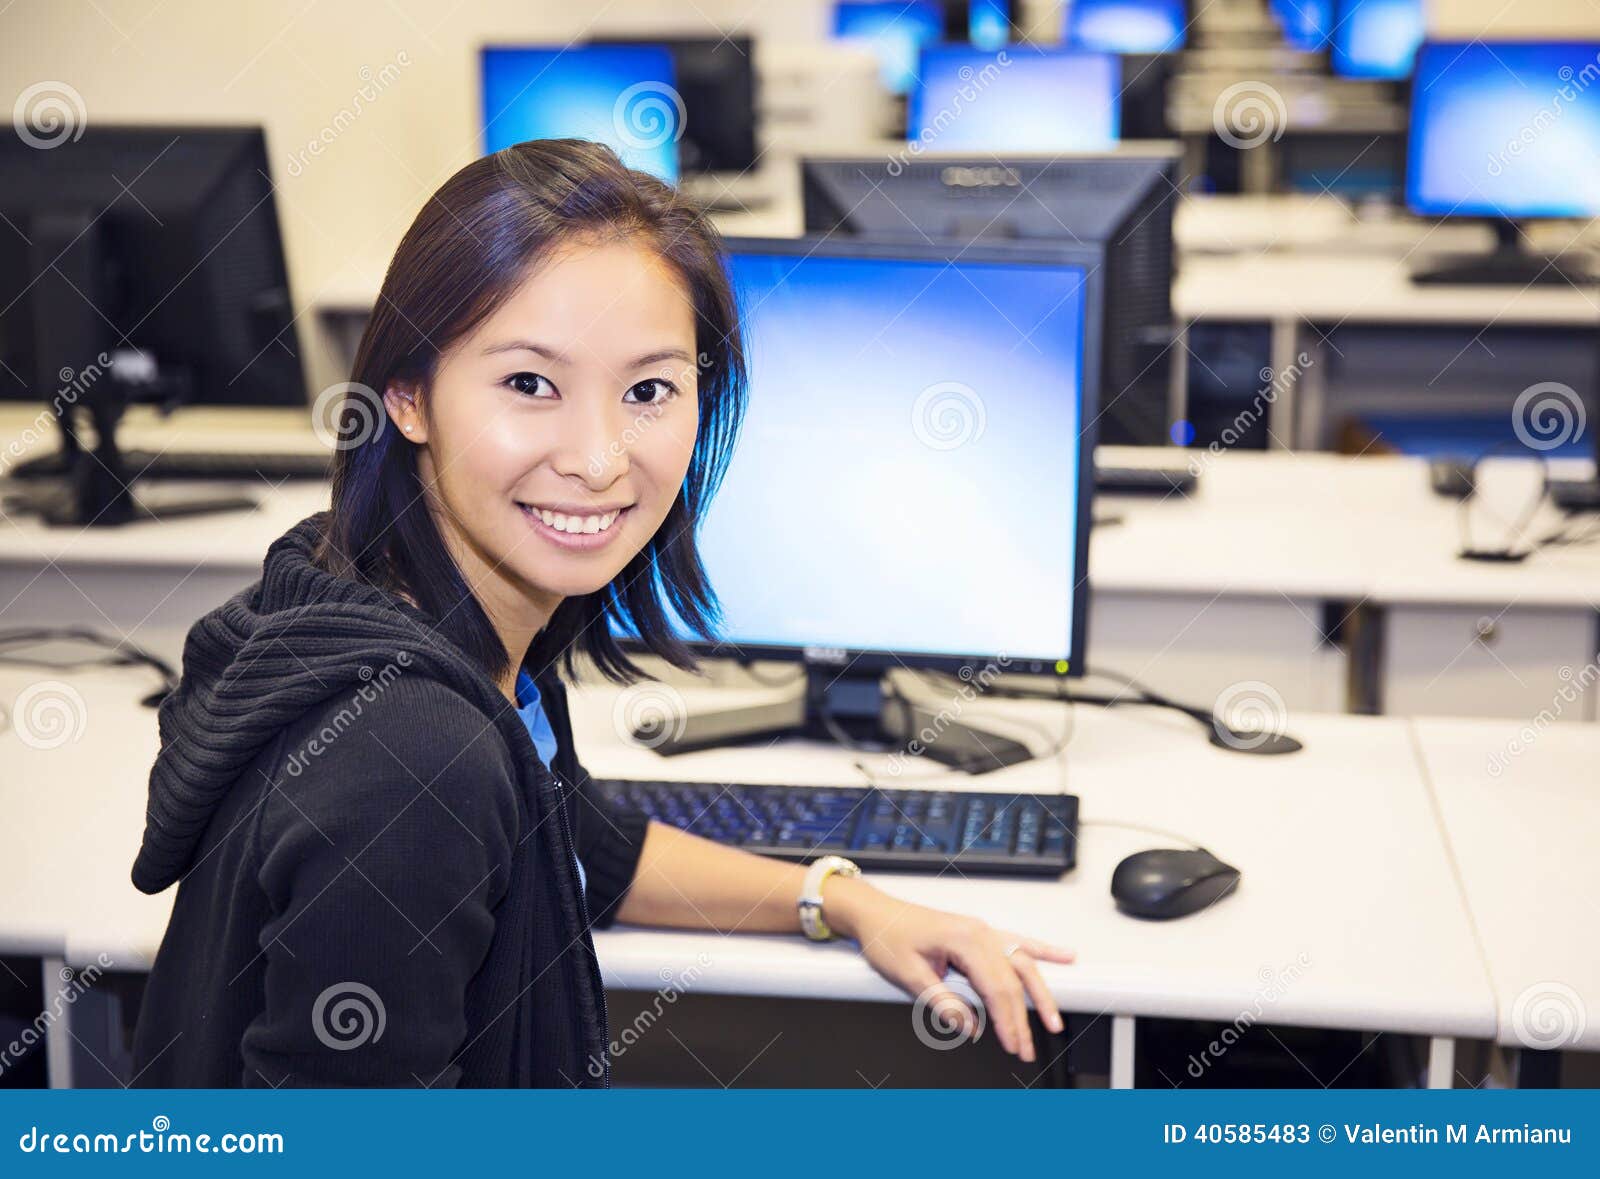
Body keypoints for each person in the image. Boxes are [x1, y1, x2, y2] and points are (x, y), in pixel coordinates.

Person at [129, 139, 1072, 1088]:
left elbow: (582, 845)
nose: (599, 457)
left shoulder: (397, 605)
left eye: (648, 390)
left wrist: (844, 898)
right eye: (530, 383)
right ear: (408, 396)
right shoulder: (413, 759)